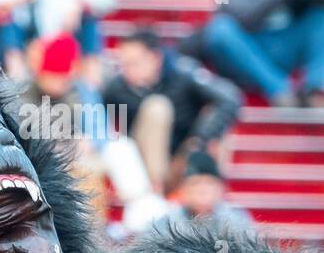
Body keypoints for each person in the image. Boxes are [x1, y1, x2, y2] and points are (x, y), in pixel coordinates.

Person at [101, 28, 242, 193]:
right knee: (157, 107)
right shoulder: (116, 87)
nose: (127, 70)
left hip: (184, 155)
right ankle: (157, 189)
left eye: (134, 63)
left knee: (219, 136)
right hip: (142, 162)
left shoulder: (183, 73)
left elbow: (230, 99)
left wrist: (200, 138)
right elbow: (93, 115)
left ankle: (210, 199)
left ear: (155, 58)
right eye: (123, 64)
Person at [156, 150, 254, 231]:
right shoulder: (166, 224)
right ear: (183, 190)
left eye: (209, 184)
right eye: (195, 184)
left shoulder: (237, 221)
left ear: (220, 189)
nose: (202, 190)